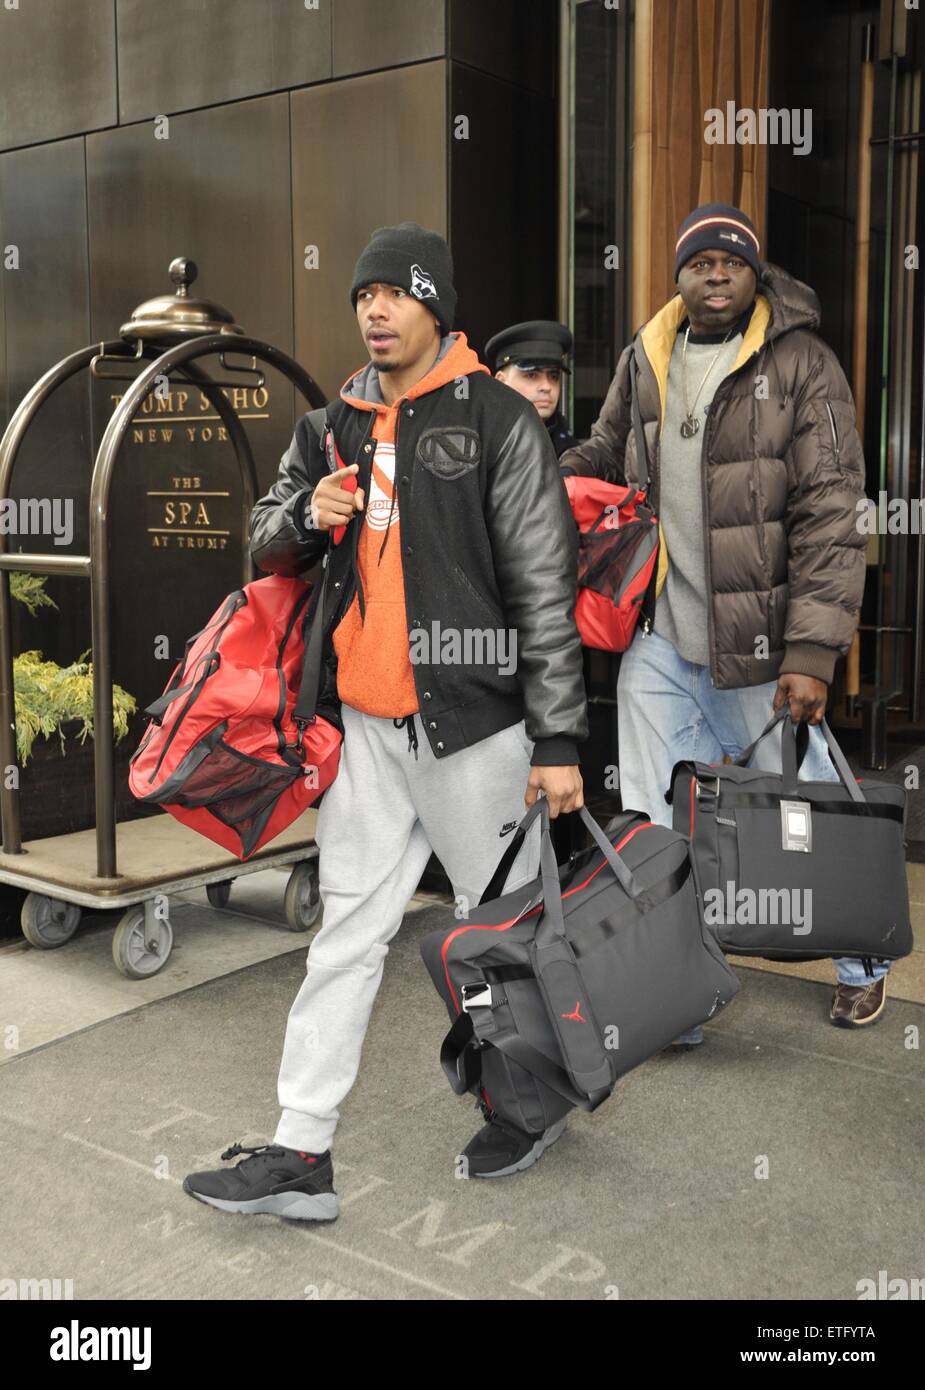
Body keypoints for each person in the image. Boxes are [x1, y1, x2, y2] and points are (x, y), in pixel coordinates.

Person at [183, 223, 587, 1220]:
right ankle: (300, 1150)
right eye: (363, 295)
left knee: (501, 938)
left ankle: (529, 1103)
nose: (372, 310)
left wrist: (558, 738)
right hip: (367, 730)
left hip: (477, 729)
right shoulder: (333, 426)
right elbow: (265, 542)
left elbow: (545, 583)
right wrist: (304, 518)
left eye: (394, 294)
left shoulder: (497, 419)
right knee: (343, 939)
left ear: (435, 306)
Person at [560, 202, 883, 1038]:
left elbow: (830, 510)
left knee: (804, 807)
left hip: (761, 646)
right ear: (679, 275)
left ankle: (862, 959)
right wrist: (539, 474)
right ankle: (680, 981)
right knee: (655, 815)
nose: (714, 275)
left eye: (730, 262)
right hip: (662, 637)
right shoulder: (648, 353)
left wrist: (812, 651)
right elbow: (604, 450)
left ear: (754, 273)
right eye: (699, 262)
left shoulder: (802, 363)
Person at [485, 320, 578, 457]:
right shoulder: (479, 440)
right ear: (501, 381)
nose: (546, 387)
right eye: (532, 375)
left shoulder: (571, 451)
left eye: (554, 376)